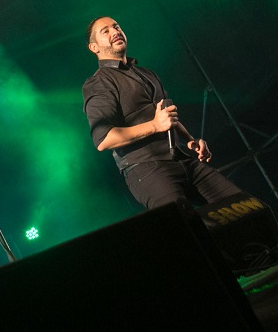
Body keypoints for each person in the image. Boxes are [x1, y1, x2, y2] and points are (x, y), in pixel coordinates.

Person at [82, 16, 243, 210]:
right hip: (146, 168)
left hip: (183, 159)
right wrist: (154, 125)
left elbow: (167, 117)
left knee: (244, 207)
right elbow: (104, 139)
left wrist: (189, 140)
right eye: (105, 31)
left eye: (116, 27)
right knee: (185, 228)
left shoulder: (147, 73)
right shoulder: (99, 83)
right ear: (94, 47)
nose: (115, 32)